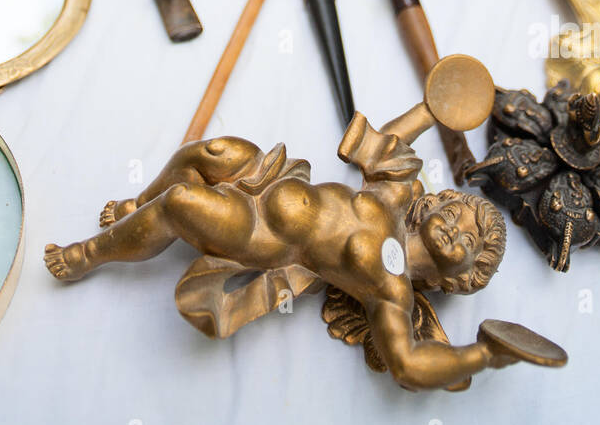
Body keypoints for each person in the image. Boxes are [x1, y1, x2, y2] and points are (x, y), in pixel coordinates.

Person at [45, 107, 513, 392]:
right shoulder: (393, 198)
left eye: (468, 242)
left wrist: (485, 356)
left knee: (181, 204)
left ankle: (88, 254)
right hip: (276, 178)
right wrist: (435, 105)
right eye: (457, 214)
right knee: (208, 152)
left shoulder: (389, 291)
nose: (455, 229)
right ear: (439, 203)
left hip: (260, 234)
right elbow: (394, 139)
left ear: (461, 276)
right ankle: (137, 205)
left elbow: (409, 365)